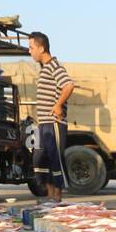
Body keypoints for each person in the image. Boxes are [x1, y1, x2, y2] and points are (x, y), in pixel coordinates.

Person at [21, 32, 74, 202]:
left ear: (41, 48)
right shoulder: (44, 69)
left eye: (31, 48)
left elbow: (68, 85)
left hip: (54, 122)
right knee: (39, 158)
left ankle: (56, 196)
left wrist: (58, 105)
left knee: (54, 158)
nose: (30, 51)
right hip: (42, 123)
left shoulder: (54, 66)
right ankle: (49, 194)